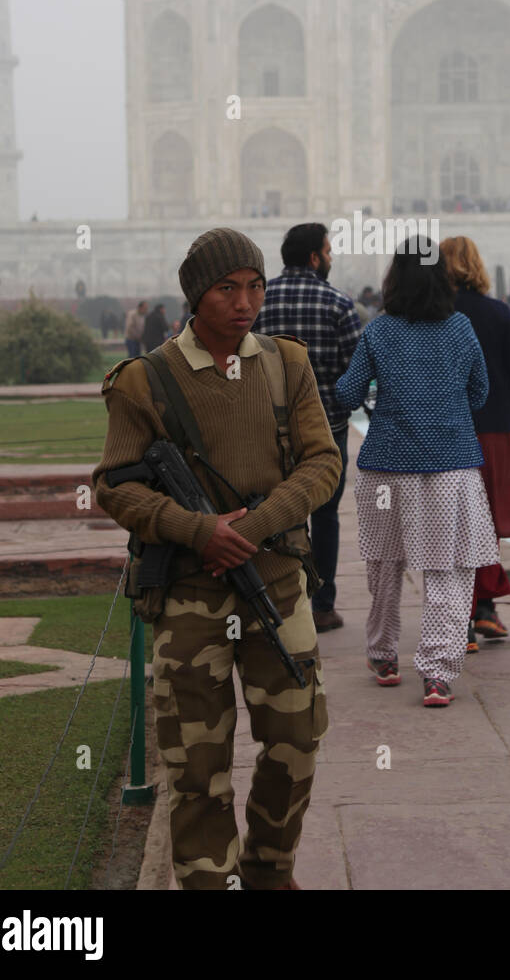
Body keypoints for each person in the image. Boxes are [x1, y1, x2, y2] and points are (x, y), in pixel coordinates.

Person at [93, 228, 341, 890]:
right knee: (196, 763)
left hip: (277, 579)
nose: (245, 301)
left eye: (254, 285)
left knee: (295, 738)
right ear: (195, 296)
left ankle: (266, 870)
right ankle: (210, 880)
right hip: (189, 590)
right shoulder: (146, 380)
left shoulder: (287, 363)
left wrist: (253, 527)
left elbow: (323, 463)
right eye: (227, 288)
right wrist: (195, 529)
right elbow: (114, 483)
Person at [334, 238, 499, 708]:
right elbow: (481, 393)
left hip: (388, 465)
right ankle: (437, 674)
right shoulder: (461, 328)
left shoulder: (380, 332)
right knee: (446, 571)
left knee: (386, 565)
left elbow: (347, 394)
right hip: (450, 467)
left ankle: (384, 655)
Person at [254, 223, 363, 634]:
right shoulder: (337, 303)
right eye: (329, 252)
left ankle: (277, 601)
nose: (331, 259)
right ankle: (323, 605)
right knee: (326, 516)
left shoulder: (260, 302)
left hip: (268, 427)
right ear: (315, 258)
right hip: (326, 429)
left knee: (272, 512)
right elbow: (357, 369)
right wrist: (339, 399)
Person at [440, 237, 510, 649]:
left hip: (448, 429)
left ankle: (462, 618)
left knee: (452, 521)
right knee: (488, 518)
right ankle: (483, 610)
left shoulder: (437, 315)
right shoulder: (498, 313)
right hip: (496, 427)